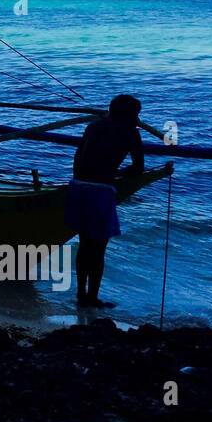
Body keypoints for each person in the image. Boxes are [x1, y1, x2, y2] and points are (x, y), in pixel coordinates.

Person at [66, 93, 144, 308]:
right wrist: (116, 175)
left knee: (84, 244)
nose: (139, 119)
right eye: (137, 114)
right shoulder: (131, 133)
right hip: (101, 190)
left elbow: (78, 157)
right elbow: (138, 168)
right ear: (131, 116)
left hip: (79, 186)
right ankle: (92, 298)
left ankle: (81, 293)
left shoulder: (93, 127)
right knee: (99, 248)